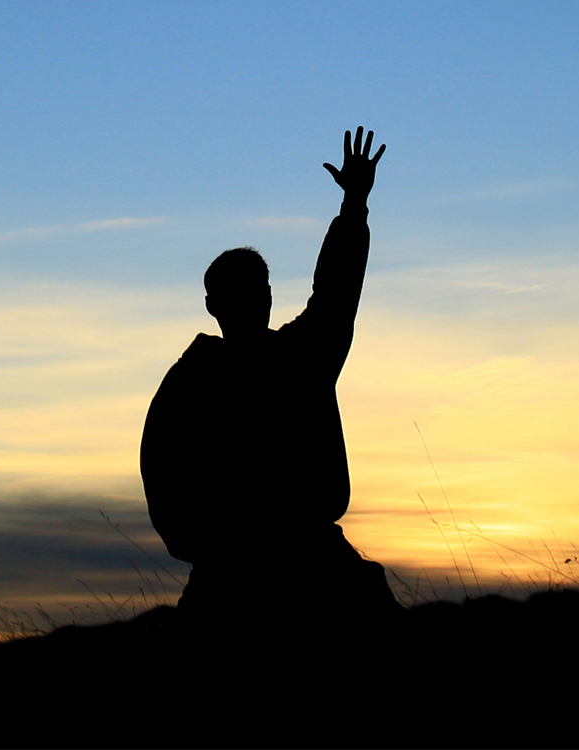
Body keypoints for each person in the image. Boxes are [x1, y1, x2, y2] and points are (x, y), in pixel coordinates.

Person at [139, 127, 400, 626]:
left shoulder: (295, 356)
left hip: (304, 566)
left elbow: (337, 291)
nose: (255, 298)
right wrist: (214, 550)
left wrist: (354, 207)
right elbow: (164, 481)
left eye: (258, 287)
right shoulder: (194, 384)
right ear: (214, 305)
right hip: (237, 577)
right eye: (242, 290)